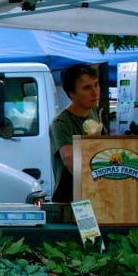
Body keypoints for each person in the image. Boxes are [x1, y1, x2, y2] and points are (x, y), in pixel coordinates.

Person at [49, 64, 102, 203]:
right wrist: (96, 185)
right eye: (87, 88)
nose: (95, 92)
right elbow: (69, 159)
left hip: (97, 195)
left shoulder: (94, 113)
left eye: (96, 85)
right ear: (72, 93)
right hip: (71, 199)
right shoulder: (61, 122)